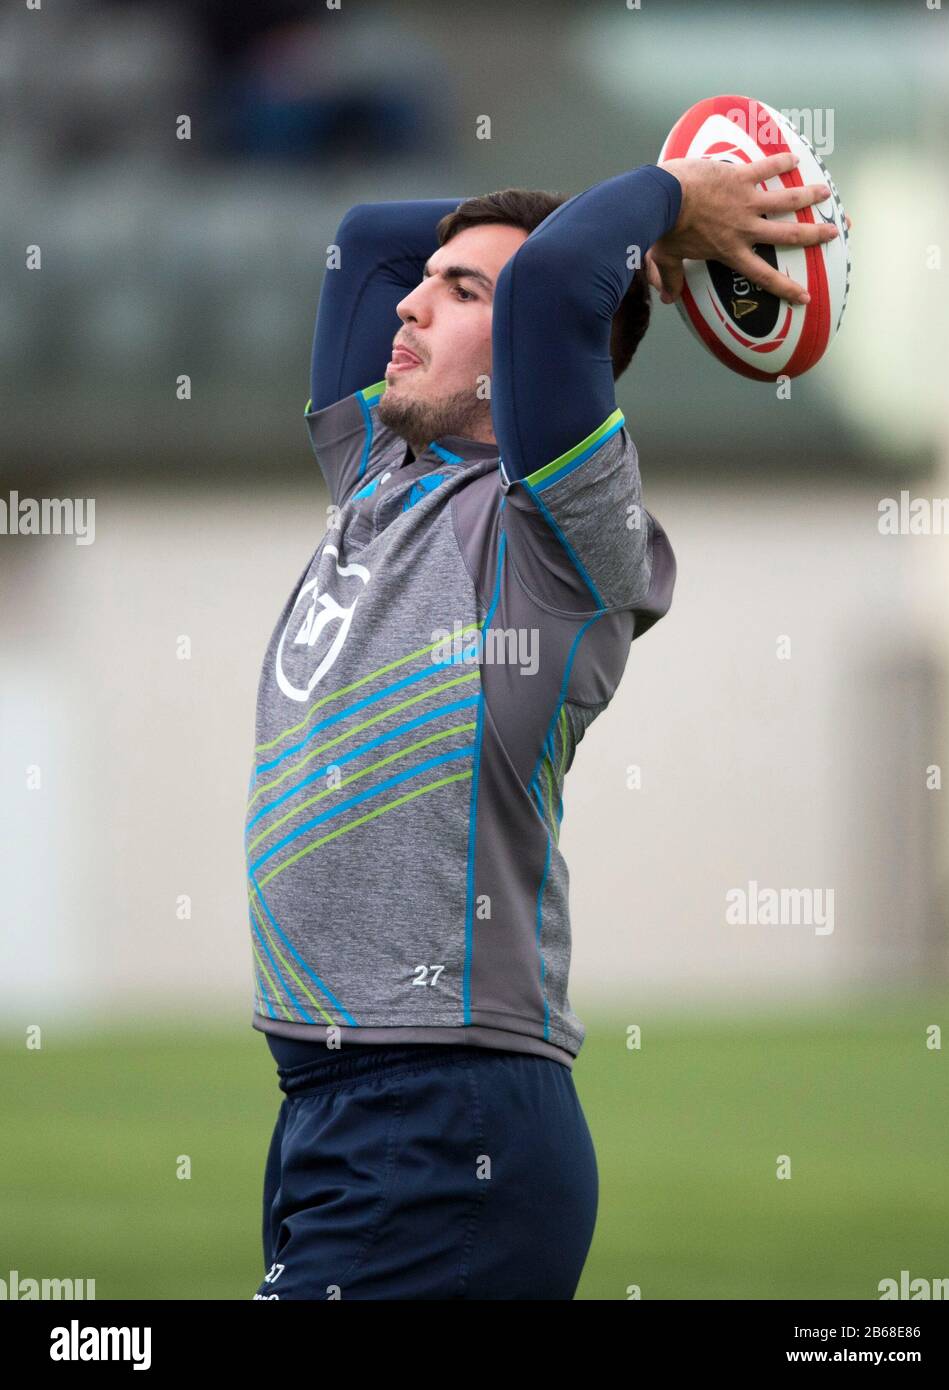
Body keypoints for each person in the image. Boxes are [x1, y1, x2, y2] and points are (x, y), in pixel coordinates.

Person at [247, 152, 837, 1299]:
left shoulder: (557, 535)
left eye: (465, 292)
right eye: (434, 283)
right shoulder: (383, 471)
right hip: (334, 1106)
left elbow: (560, 282)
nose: (412, 302)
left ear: (523, 351)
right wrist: (632, 220)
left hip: (443, 1118)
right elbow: (366, 237)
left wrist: (672, 195)